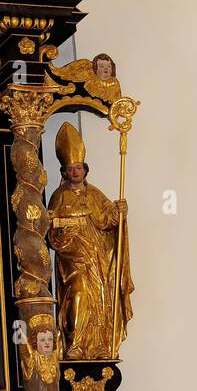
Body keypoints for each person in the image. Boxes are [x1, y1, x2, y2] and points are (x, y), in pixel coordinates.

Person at [47, 122, 133, 359]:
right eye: (70, 169)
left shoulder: (95, 194)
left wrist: (120, 213)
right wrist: (68, 229)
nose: (75, 172)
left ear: (85, 169)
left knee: (99, 300)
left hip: (97, 260)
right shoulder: (59, 196)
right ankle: (74, 342)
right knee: (78, 294)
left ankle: (98, 345)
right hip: (74, 262)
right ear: (64, 172)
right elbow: (52, 232)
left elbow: (109, 222)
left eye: (78, 168)